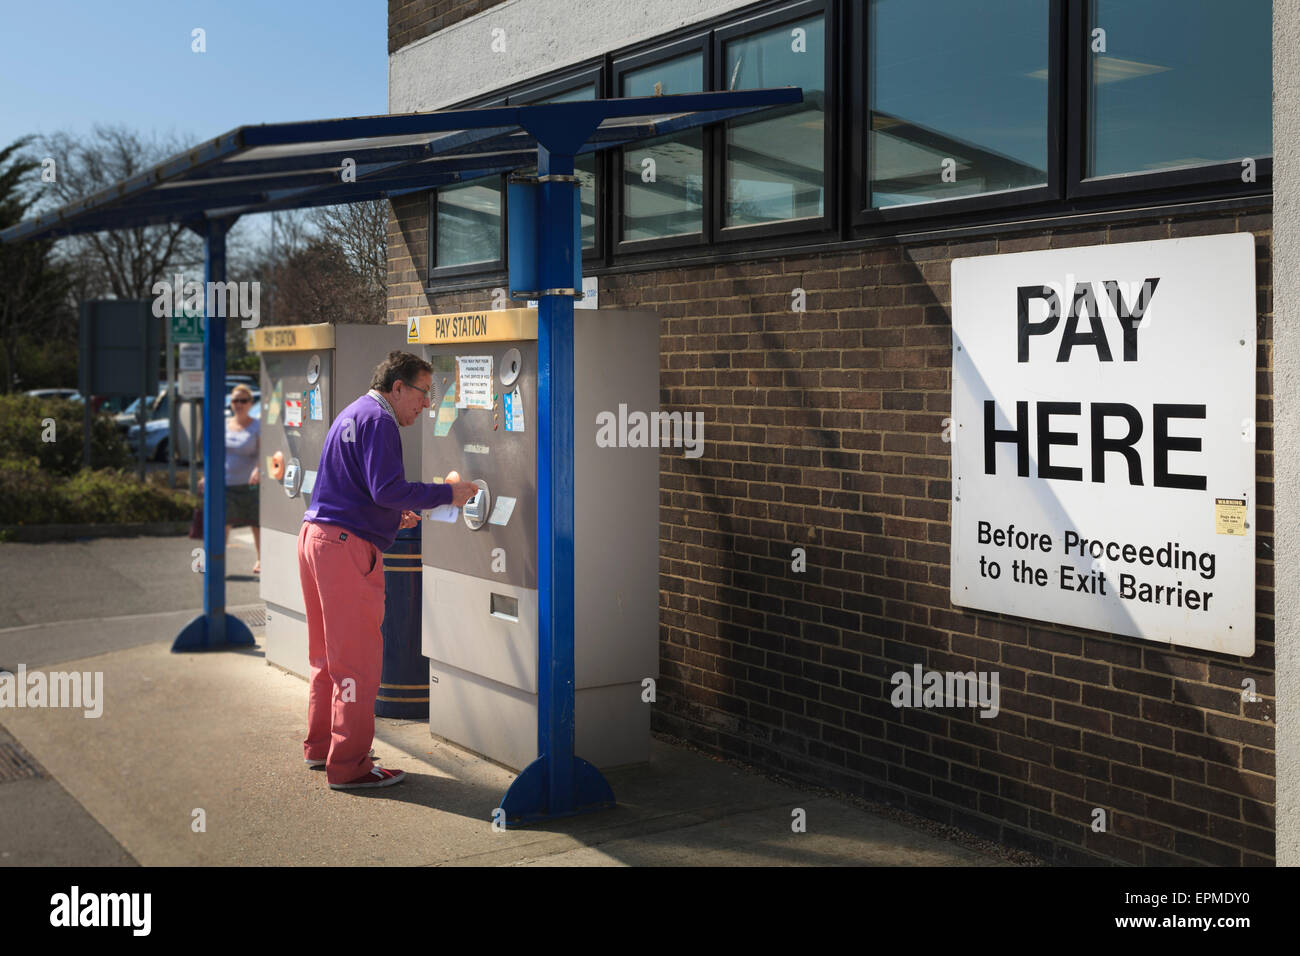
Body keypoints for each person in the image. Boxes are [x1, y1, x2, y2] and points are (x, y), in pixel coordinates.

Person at [297, 351, 478, 791]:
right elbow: (387, 488)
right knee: (356, 664)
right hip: (344, 550)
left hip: (316, 539)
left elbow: (357, 491)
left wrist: (391, 517)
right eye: (422, 392)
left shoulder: (353, 413)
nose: (427, 404)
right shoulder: (381, 422)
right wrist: (446, 493)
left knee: (327, 658)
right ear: (397, 387)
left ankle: (322, 749)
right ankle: (350, 767)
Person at [198, 383, 262, 572]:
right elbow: (215, 453)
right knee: (221, 524)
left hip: (249, 485)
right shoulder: (225, 424)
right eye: (235, 400)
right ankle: (214, 561)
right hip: (224, 483)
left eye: (243, 400)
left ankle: (261, 559)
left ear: (250, 403)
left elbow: (263, 452)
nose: (239, 404)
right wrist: (206, 476)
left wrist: (258, 470)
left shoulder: (257, 426)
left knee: (255, 523)